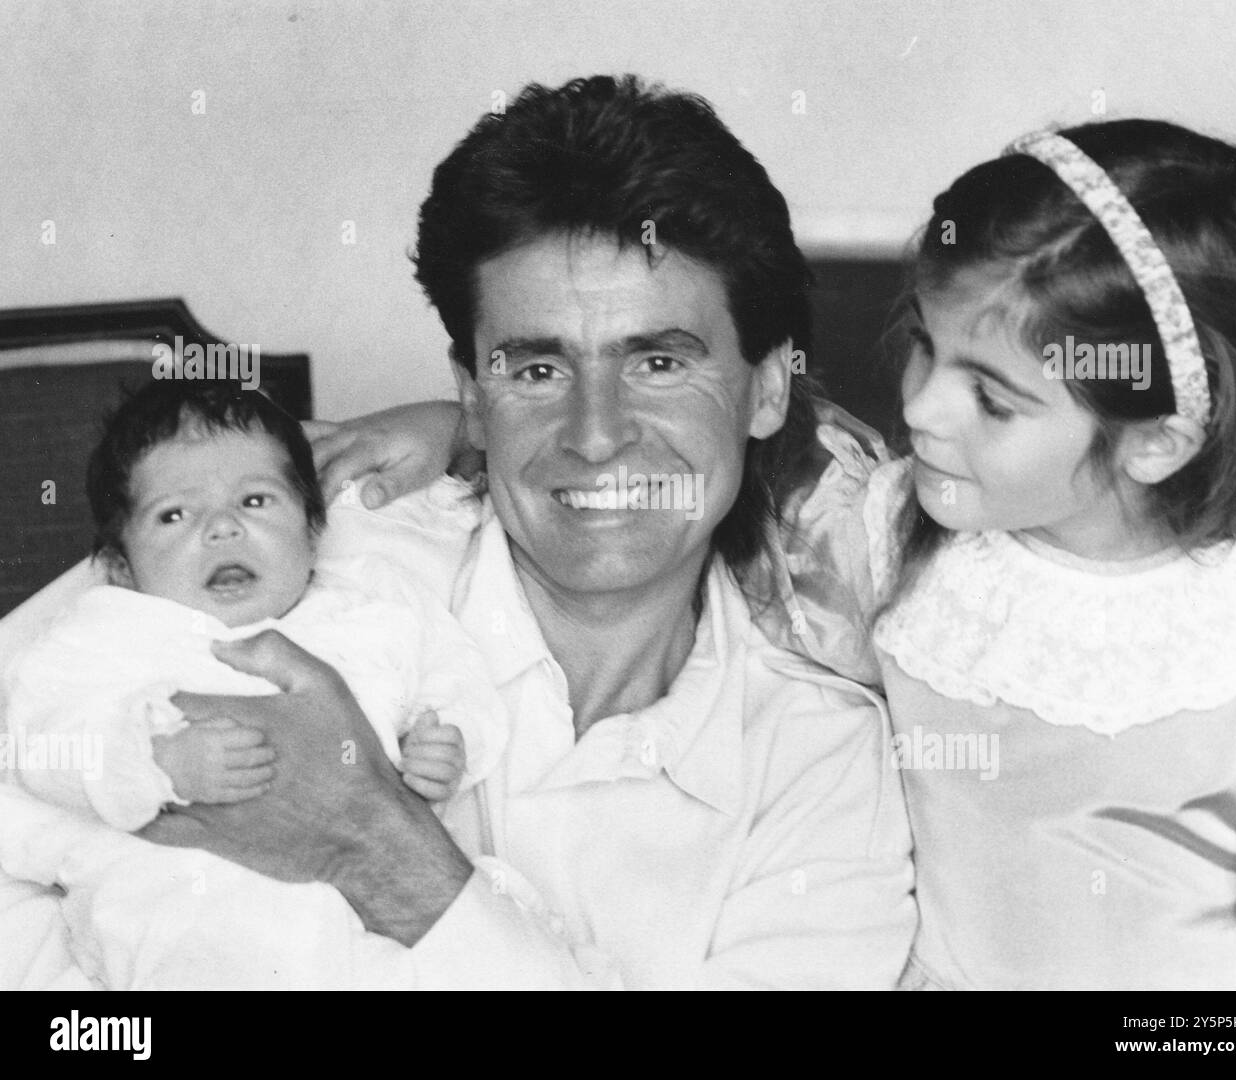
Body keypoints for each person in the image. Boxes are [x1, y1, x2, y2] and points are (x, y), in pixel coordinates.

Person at [324, 117, 1236, 991]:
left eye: (991, 398)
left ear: (1160, 437)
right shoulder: (887, 529)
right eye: (924, 346)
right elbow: (700, 455)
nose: (919, 406)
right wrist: (456, 422)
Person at [0, 74, 915, 990]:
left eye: (660, 361)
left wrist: (380, 850)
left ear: (766, 390)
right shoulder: (299, 547)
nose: (596, 435)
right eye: (538, 369)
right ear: (472, 400)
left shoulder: (821, 763)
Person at [4, 380, 496, 831]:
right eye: (173, 515)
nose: (222, 527)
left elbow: (456, 676)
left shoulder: (373, 603)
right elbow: (39, 745)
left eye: (255, 500)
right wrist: (157, 762)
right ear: (121, 567)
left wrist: (447, 742)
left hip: (363, 882)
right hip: (179, 891)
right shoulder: (107, 633)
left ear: (313, 526)